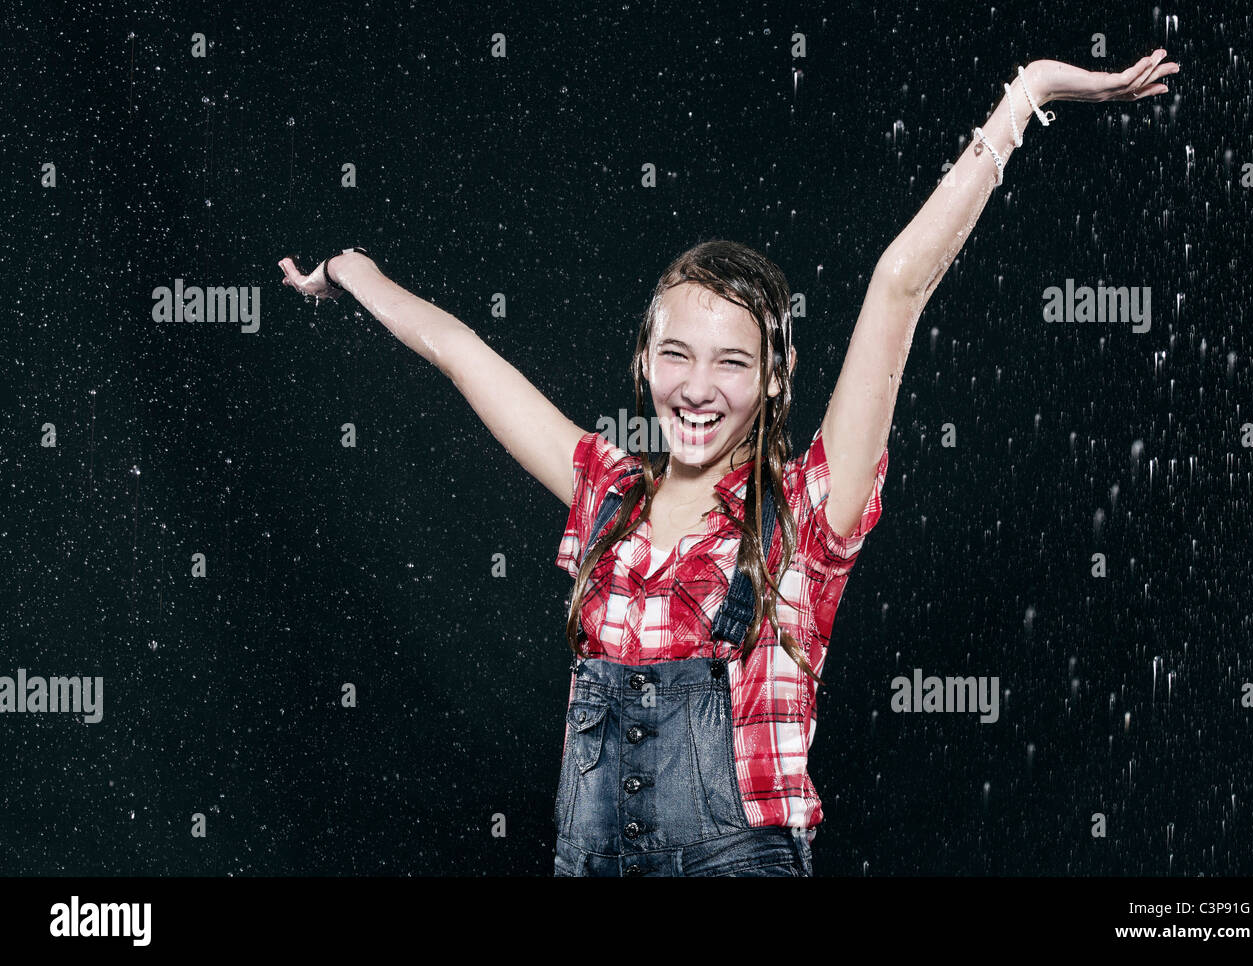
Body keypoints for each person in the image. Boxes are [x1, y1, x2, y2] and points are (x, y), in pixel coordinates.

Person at [280, 50, 1178, 876]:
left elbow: (901, 280)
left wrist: (1032, 94)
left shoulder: (808, 510)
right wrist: (350, 271)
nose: (698, 388)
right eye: (677, 355)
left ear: (775, 376)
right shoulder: (608, 490)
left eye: (733, 362)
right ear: (644, 361)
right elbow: (461, 352)